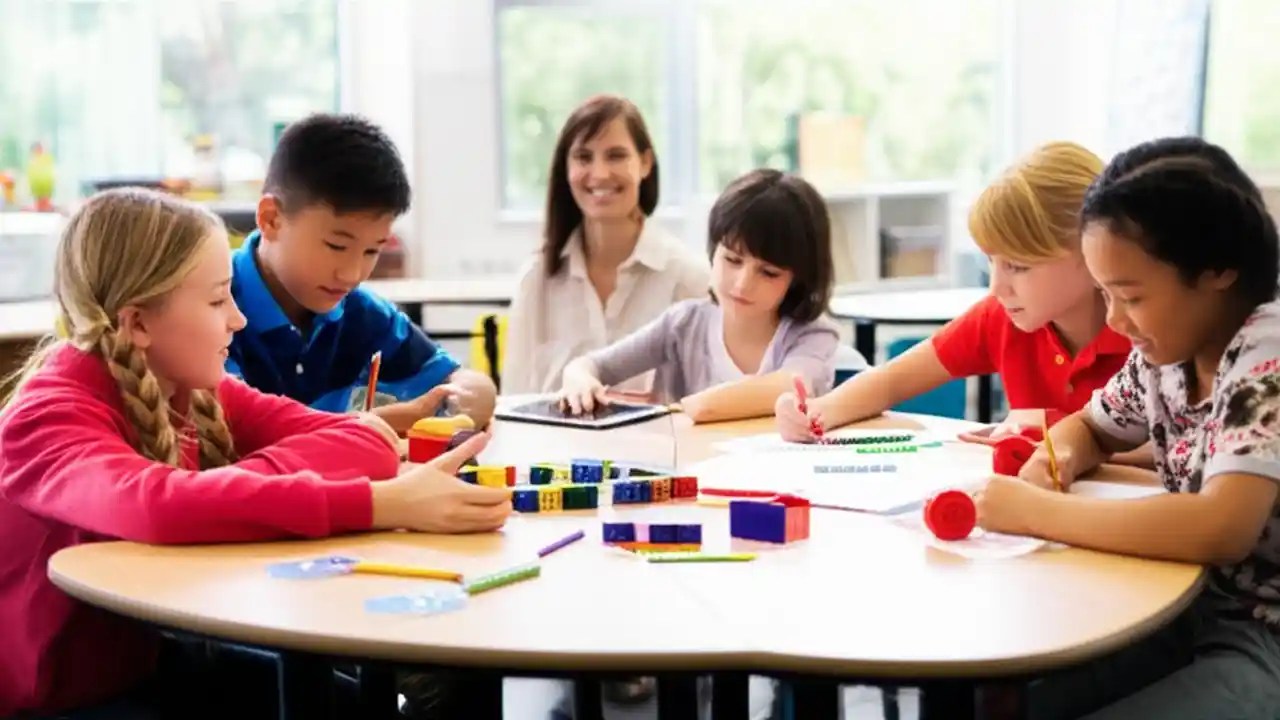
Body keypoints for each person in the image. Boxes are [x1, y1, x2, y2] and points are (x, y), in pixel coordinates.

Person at [0, 189, 509, 718]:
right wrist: (385, 505)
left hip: (149, 658)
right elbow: (159, 504)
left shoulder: (194, 387)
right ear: (138, 324)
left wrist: (232, 487)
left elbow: (366, 443)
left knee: (362, 704)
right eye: (219, 300)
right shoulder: (48, 415)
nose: (237, 320)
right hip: (55, 699)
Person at [982, 137, 1280, 719]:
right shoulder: (1163, 355)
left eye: (1131, 296)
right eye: (1105, 295)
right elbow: (1089, 429)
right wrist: (1053, 462)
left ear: (1218, 269)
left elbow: (1222, 526)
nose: (1115, 321)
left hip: (1267, 631)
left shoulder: (1267, 352)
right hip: (1180, 605)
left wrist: (1032, 511)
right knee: (1012, 703)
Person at [775, 142, 1131, 444]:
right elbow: (889, 380)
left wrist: (1058, 429)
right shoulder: (1001, 314)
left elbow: (1177, 453)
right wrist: (816, 415)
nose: (997, 286)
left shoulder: (1147, 330)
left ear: (1091, 249)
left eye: (1019, 267)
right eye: (991, 262)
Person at [228, 113, 496, 432]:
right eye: (336, 246)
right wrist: (377, 424)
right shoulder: (211, 302)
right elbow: (233, 435)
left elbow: (463, 383)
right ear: (271, 219)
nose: (352, 274)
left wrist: (466, 396)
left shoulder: (360, 312)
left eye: (373, 250)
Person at [558, 168, 842, 424]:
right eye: (732, 259)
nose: (743, 284)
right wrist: (581, 380)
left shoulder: (813, 337)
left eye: (768, 273)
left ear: (798, 279)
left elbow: (789, 389)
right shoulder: (682, 324)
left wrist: (686, 408)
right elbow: (590, 365)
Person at [503, 94, 709, 395]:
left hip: (658, 441)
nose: (599, 173)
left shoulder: (688, 278)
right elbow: (514, 398)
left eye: (616, 155)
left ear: (645, 163)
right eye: (584, 157)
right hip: (555, 441)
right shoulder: (537, 278)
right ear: (566, 168)